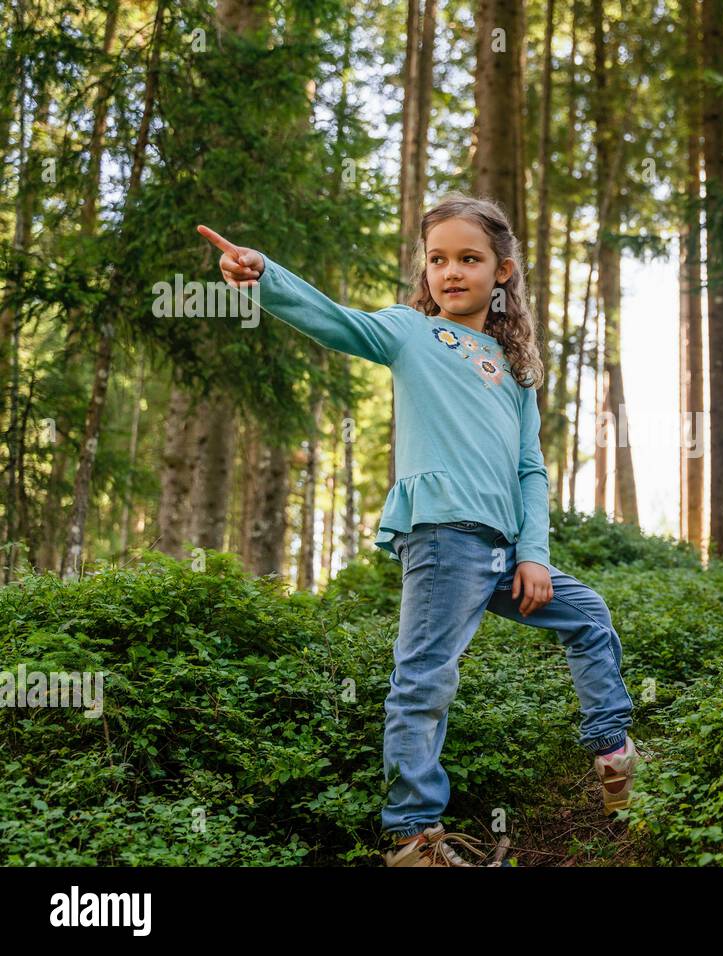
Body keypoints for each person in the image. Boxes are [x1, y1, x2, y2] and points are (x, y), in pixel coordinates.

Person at [197, 194, 639, 868]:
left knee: (588, 616)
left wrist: (534, 555)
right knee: (425, 678)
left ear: (504, 271)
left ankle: (614, 756)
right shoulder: (410, 330)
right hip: (441, 537)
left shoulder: (517, 370)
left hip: (502, 551)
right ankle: (413, 838)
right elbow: (337, 322)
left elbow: (529, 470)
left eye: (469, 258)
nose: (451, 271)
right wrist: (266, 276)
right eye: (438, 259)